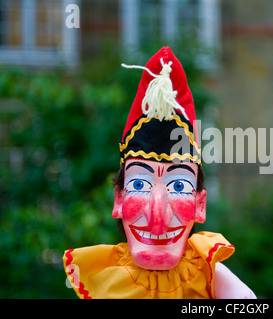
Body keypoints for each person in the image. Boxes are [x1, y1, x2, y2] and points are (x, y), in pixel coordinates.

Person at [63, 47, 256, 299]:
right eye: (140, 185)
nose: (157, 217)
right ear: (119, 200)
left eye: (178, 187)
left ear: (200, 205)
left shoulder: (205, 273)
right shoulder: (106, 281)